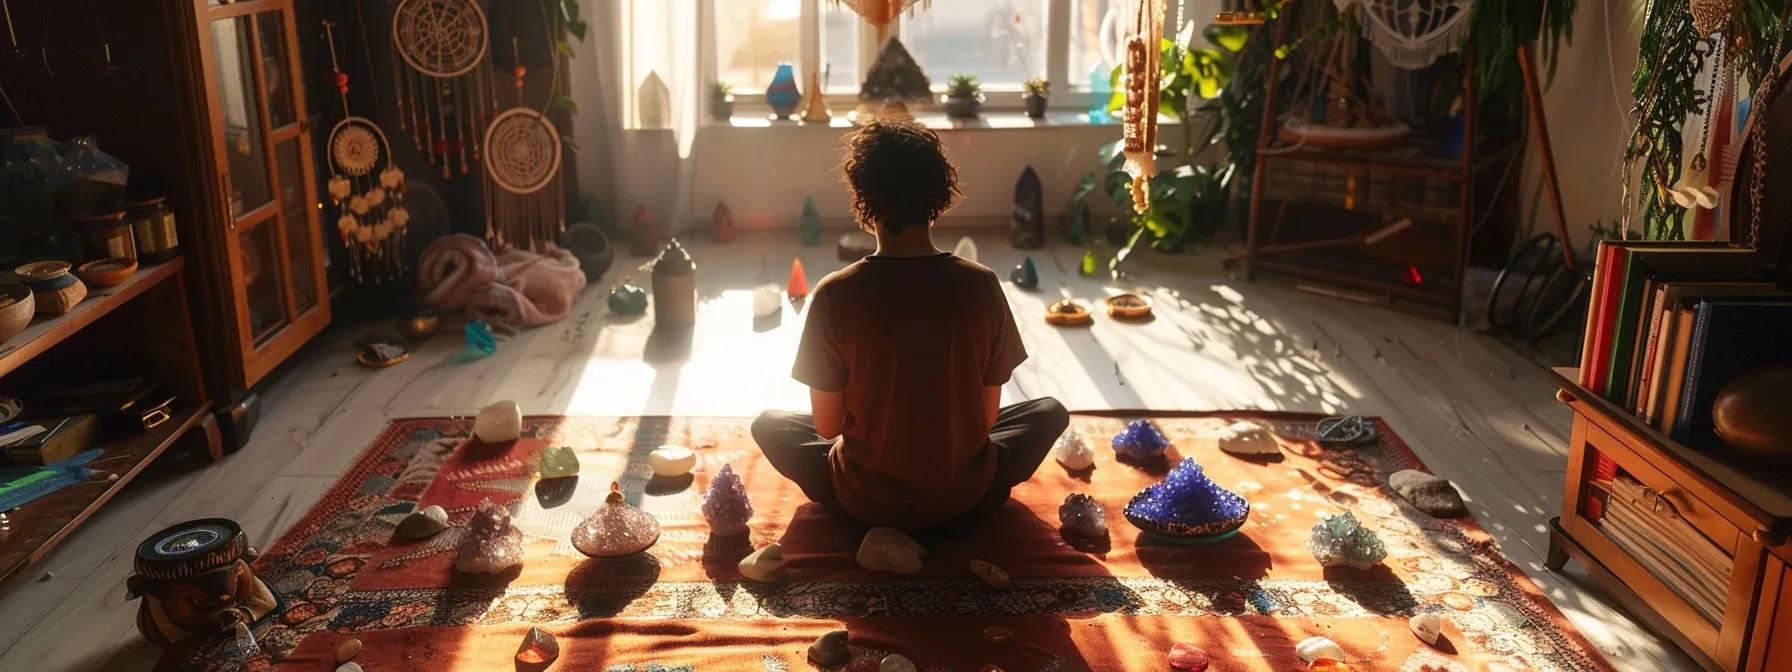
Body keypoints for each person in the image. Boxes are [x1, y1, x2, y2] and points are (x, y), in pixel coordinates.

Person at [751, 121, 1069, 531]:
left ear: (864, 200)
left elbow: (828, 427)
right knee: (1048, 412)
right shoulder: (981, 285)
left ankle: (881, 517)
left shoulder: (835, 294)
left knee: (771, 424)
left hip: (865, 501)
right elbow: (987, 420)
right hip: (966, 497)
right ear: (938, 197)